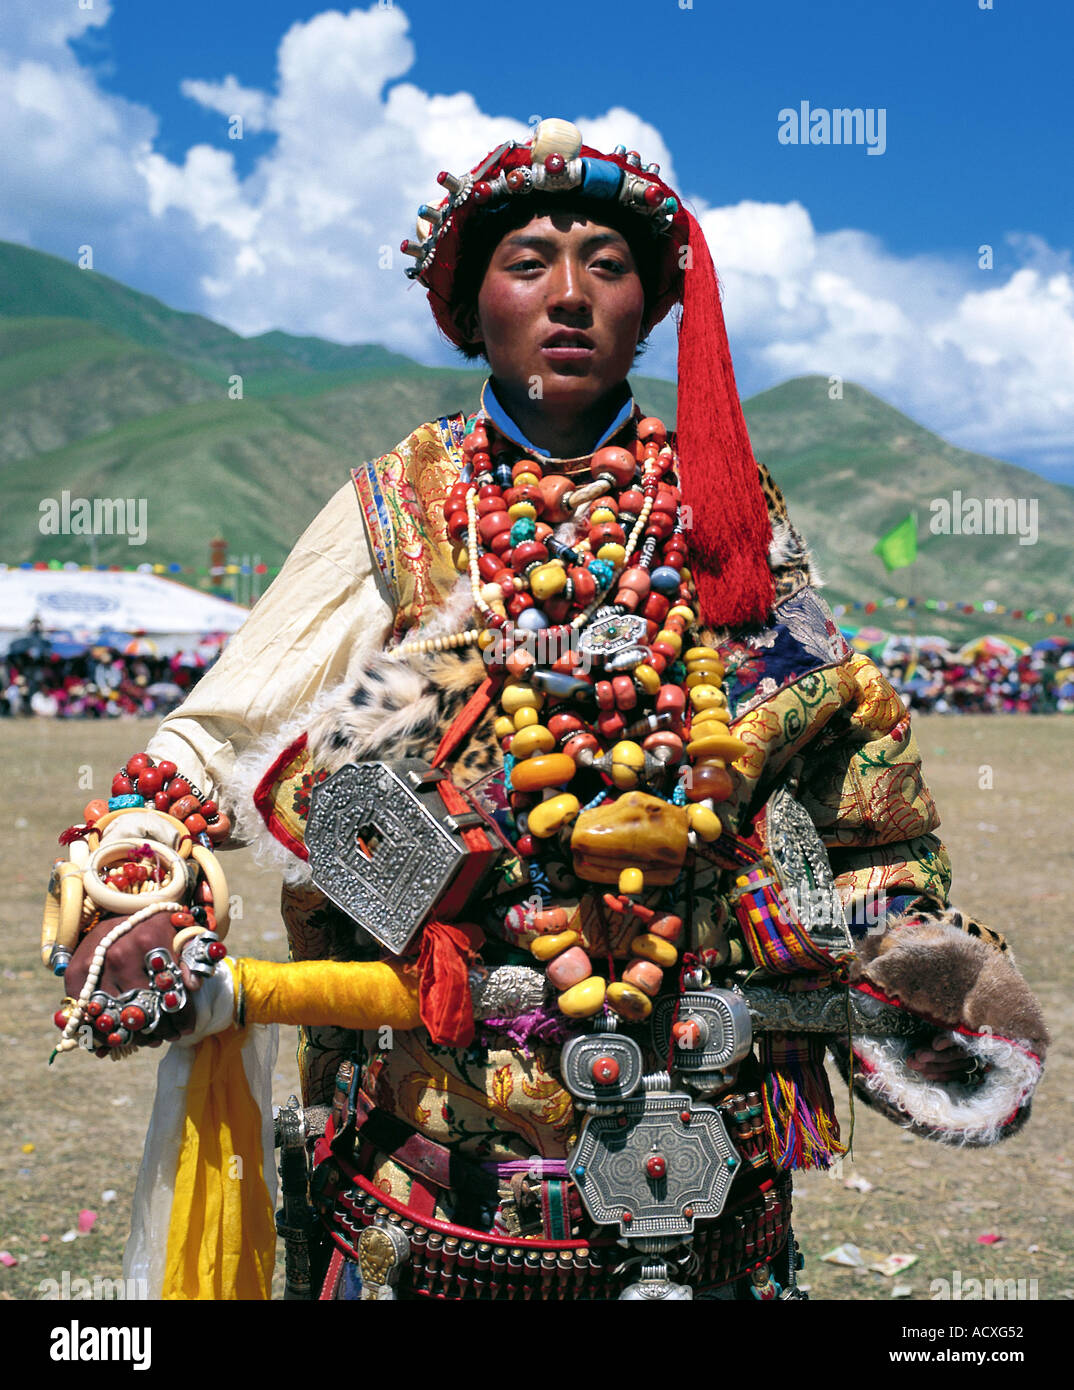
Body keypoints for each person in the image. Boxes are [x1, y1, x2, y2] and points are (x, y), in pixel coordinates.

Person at [44, 119, 1046, 1301]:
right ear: (475, 308)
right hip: (432, 1177)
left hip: (707, 1152)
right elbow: (212, 740)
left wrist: (904, 953)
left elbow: (836, 768)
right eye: (529, 263)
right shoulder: (408, 504)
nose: (570, 294)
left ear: (650, 308)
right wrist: (138, 875)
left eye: (607, 265)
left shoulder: (726, 503)